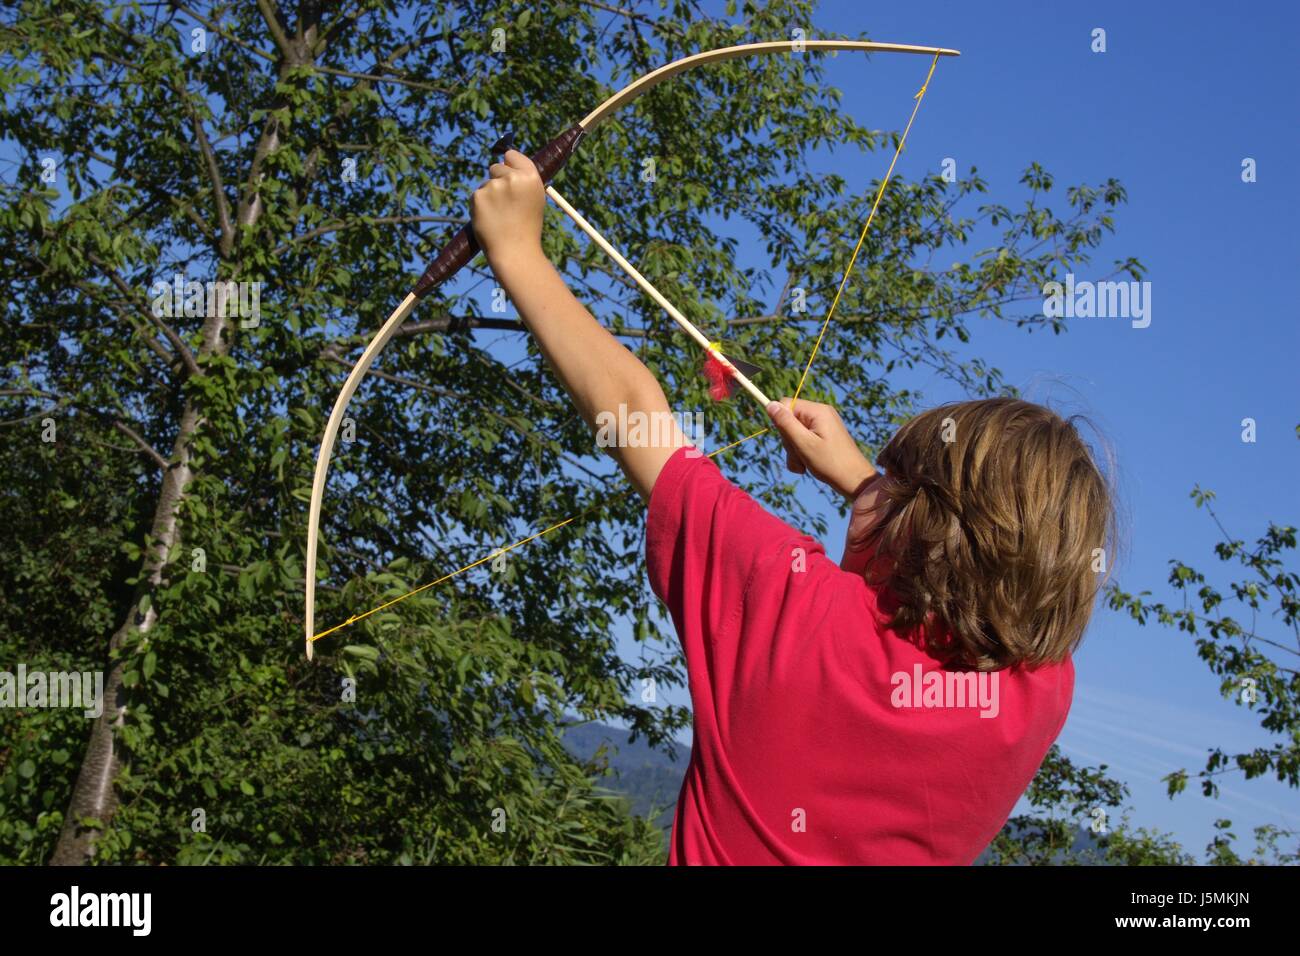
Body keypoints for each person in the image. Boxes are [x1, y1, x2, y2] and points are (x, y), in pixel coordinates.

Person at [470, 149, 1114, 864]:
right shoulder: (1032, 699)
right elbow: (979, 565)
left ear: (913, 523)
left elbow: (632, 414)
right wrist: (868, 483)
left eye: (895, 482)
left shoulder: (796, 613)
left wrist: (517, 252)